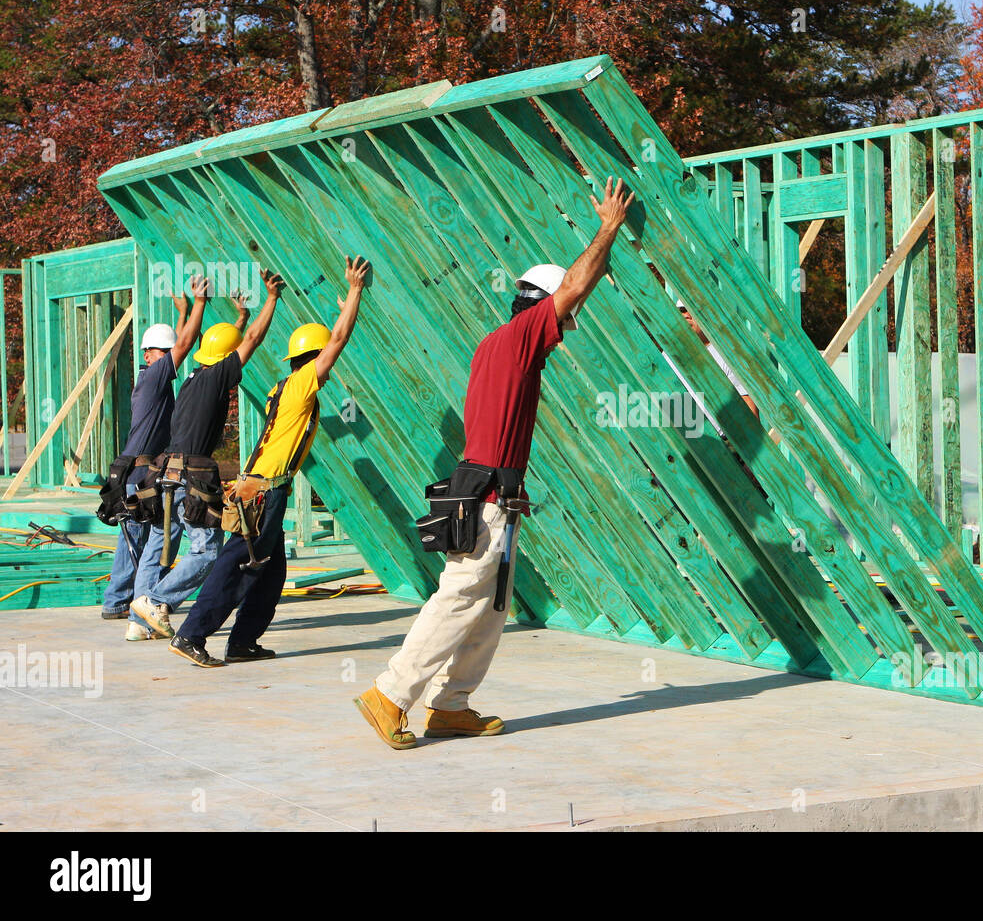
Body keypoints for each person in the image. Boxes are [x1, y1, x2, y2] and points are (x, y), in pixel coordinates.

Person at [354, 177, 635, 750]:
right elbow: (576, 285)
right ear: (540, 306)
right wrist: (608, 228)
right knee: (460, 595)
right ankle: (390, 693)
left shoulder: (498, 343)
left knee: (490, 605)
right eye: (563, 321)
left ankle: (451, 704)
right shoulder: (522, 336)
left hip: (494, 497)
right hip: (484, 500)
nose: (563, 336)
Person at [169, 256, 369, 667]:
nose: (328, 370)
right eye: (321, 363)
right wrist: (354, 291)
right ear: (311, 361)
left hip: (262, 489)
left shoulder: (285, 388)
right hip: (264, 493)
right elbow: (339, 340)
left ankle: (243, 641)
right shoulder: (300, 386)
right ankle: (191, 634)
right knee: (237, 566)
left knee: (271, 573)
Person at [129, 269, 282, 640]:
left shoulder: (196, 377)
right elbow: (252, 341)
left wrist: (241, 315)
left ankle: (146, 615)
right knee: (206, 551)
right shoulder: (216, 377)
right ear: (225, 359)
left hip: (171, 474)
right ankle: (155, 600)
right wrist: (271, 299)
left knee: (161, 544)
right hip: (190, 477)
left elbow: (232, 339)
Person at [100, 277, 212, 632]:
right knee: (152, 540)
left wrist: (180, 313)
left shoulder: (153, 377)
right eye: (164, 355)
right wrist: (199, 303)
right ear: (150, 355)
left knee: (133, 539)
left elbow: (175, 346)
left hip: (132, 473)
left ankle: (118, 601)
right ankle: (139, 606)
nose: (171, 361)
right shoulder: (153, 376)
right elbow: (185, 344)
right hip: (136, 476)